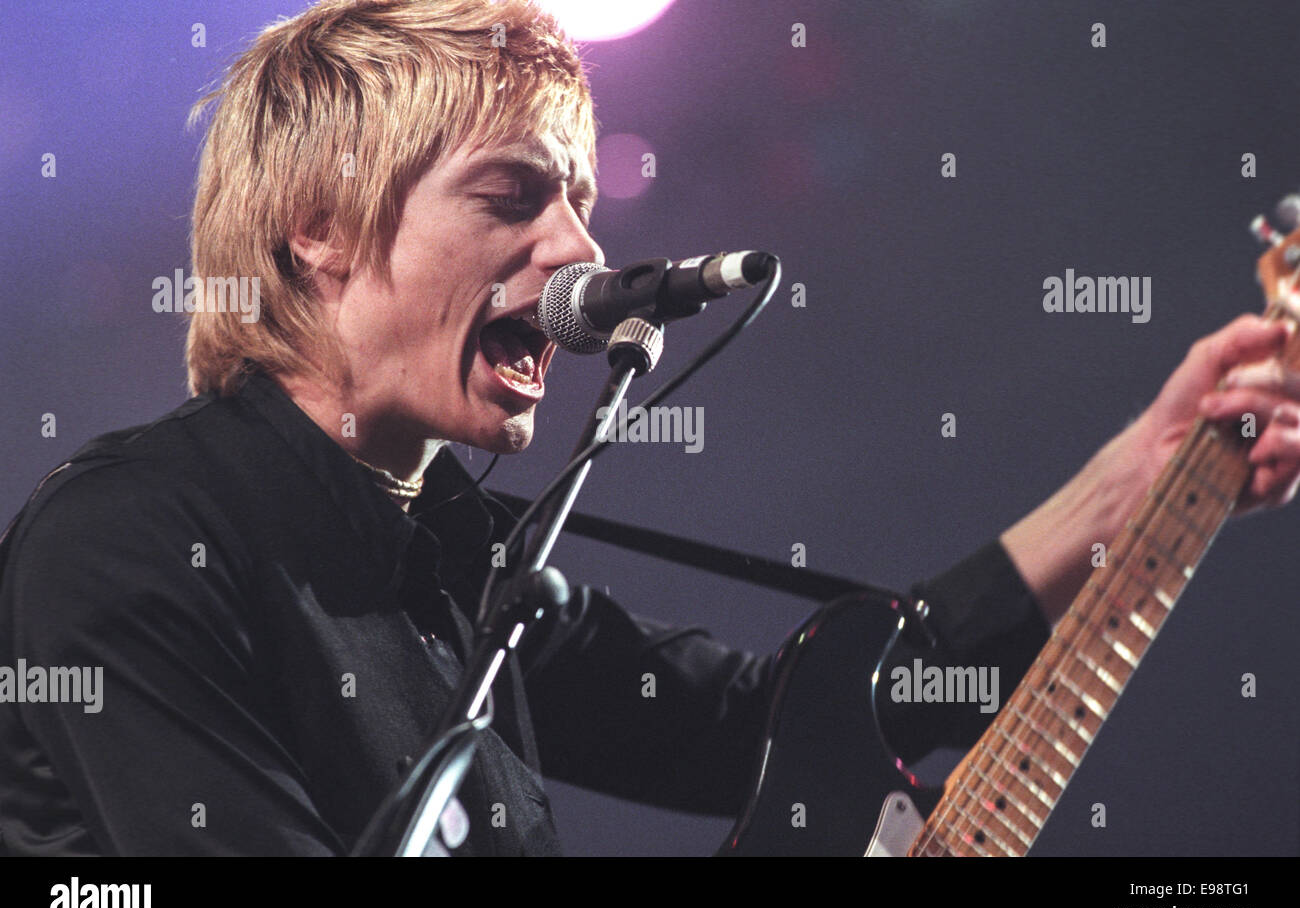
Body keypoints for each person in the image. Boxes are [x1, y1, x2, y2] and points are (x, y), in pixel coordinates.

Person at [2, 0, 1298, 857]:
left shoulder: (467, 563)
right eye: (512, 196)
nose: (581, 251)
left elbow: (790, 727)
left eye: (578, 200)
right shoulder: (127, 542)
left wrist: (1147, 467)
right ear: (321, 230)